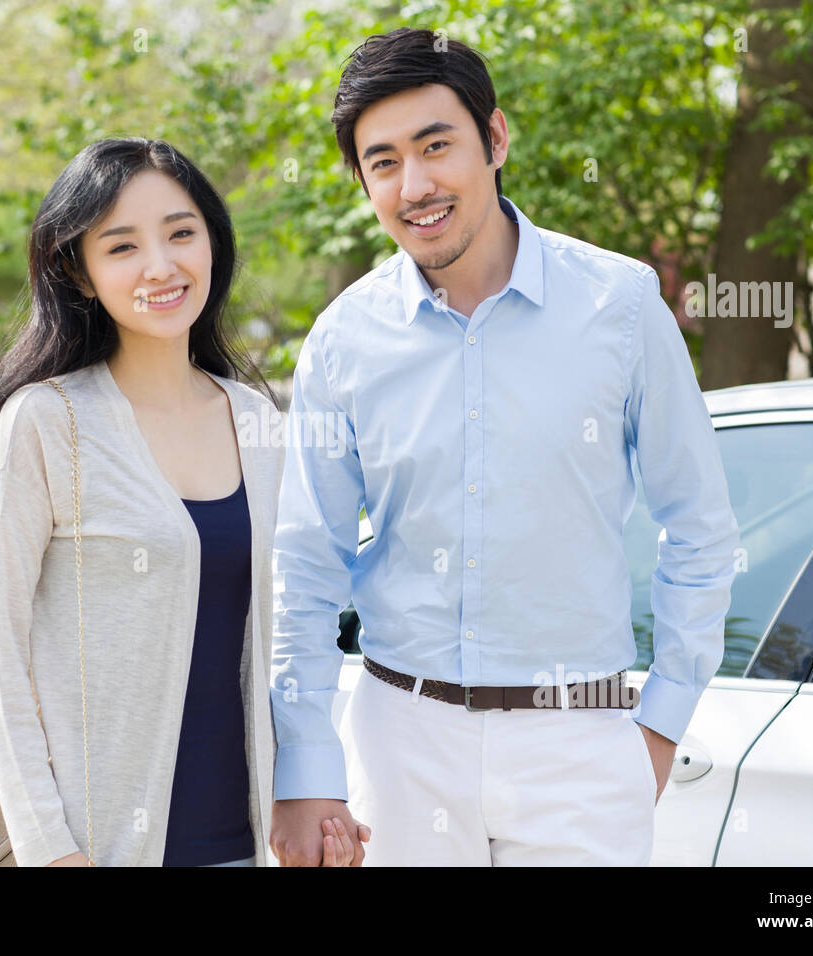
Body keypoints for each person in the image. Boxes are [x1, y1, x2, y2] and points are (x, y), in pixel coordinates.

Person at [268, 28, 741, 866]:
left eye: (436, 145)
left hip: (582, 751)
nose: (414, 186)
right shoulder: (343, 341)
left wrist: (660, 725)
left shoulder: (622, 307)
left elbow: (700, 527)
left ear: (495, 139)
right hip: (399, 743)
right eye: (382, 162)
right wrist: (306, 770)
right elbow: (306, 567)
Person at [0, 138, 355, 866]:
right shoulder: (49, 424)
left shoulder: (261, 424)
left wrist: (307, 789)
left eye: (180, 233)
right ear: (77, 269)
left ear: (212, 243)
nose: (160, 266)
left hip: (236, 841)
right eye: (122, 245)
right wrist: (49, 851)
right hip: (95, 848)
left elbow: (292, 624)